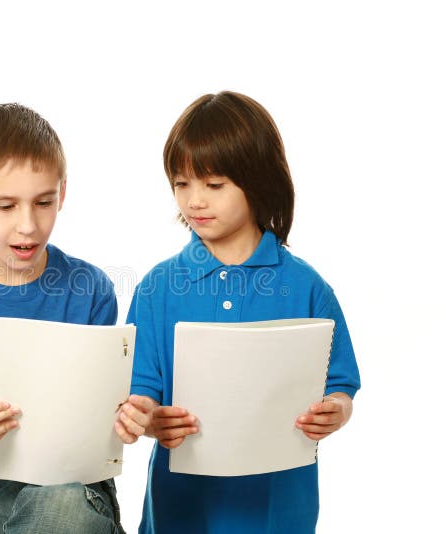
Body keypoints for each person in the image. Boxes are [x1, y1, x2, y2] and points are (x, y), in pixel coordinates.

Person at [0, 103, 153, 533]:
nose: (28, 226)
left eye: (44, 202)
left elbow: (97, 426)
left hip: (71, 480)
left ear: (63, 193)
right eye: (5, 206)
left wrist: (125, 420)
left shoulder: (91, 289)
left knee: (64, 511)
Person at [126, 91, 362, 533]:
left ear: (258, 182)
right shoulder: (158, 288)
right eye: (182, 184)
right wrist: (148, 419)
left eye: (214, 185)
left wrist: (336, 409)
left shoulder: (307, 288)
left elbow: (341, 385)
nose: (195, 201)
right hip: (182, 509)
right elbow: (138, 392)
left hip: (278, 510)